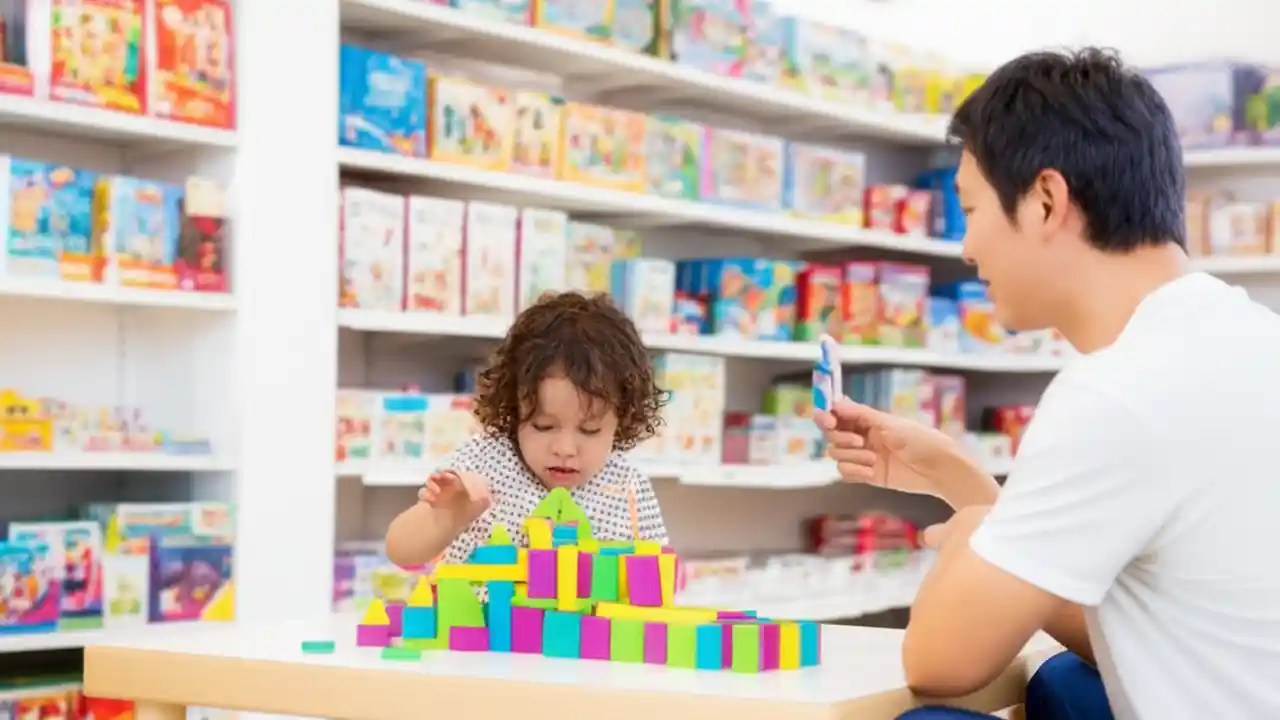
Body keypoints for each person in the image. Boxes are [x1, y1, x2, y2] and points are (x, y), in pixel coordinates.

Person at [816, 47, 1280, 719]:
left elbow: (939, 662)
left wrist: (973, 531)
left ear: (1044, 200)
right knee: (1066, 682)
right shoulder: (1244, 338)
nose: (967, 249)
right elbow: (1151, 625)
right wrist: (960, 480)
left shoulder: (1119, 392)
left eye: (971, 211)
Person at [386, 291, 669, 570]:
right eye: (543, 426)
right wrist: (447, 517)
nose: (565, 449)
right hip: (483, 615)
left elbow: (659, 576)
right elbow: (399, 550)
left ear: (623, 418)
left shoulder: (628, 487)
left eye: (590, 430)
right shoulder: (484, 463)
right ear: (514, 409)